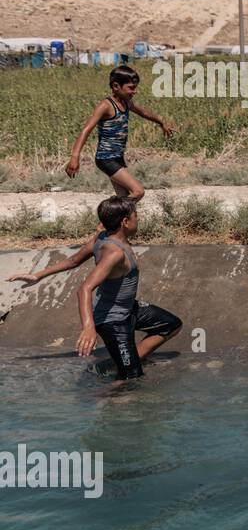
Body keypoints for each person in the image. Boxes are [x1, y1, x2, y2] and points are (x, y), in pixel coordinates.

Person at [6, 197, 182, 378]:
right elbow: (84, 289)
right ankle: (107, 393)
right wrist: (88, 328)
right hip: (112, 321)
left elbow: (74, 260)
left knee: (171, 324)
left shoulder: (102, 236)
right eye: (136, 216)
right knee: (130, 381)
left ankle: (118, 364)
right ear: (125, 222)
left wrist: (38, 274)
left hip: (127, 308)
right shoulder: (114, 253)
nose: (138, 220)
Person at [65, 65, 176, 202]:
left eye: (135, 87)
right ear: (116, 86)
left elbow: (143, 112)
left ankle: (109, 222)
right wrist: (75, 157)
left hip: (117, 157)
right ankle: (109, 212)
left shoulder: (126, 102)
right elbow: (86, 130)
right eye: (131, 87)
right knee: (138, 192)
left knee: (125, 199)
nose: (135, 91)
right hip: (106, 159)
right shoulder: (106, 106)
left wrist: (161, 122)